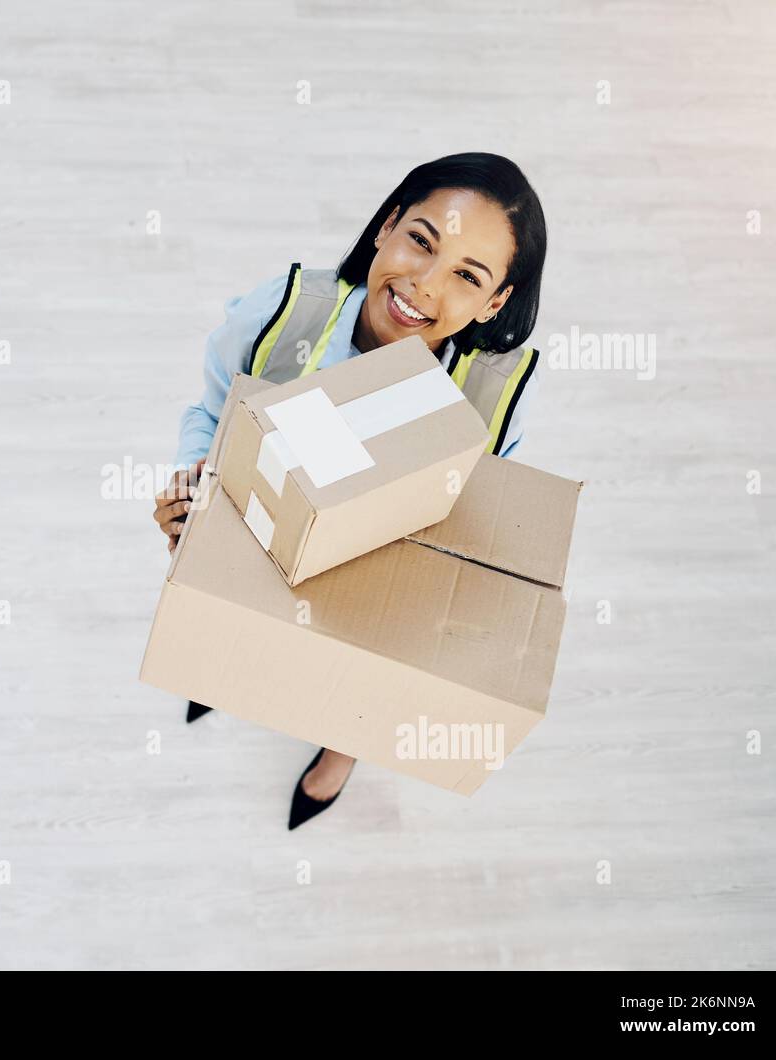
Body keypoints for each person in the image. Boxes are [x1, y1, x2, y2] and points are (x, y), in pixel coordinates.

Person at [152, 152, 549, 829]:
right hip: (264, 547)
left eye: (467, 276)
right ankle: (224, 677)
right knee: (239, 639)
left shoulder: (492, 394)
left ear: (496, 301)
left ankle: (341, 751)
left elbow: (477, 533)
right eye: (421, 241)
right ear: (386, 226)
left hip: (378, 589)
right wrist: (193, 484)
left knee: (365, 679)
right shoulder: (287, 313)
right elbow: (210, 410)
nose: (423, 286)